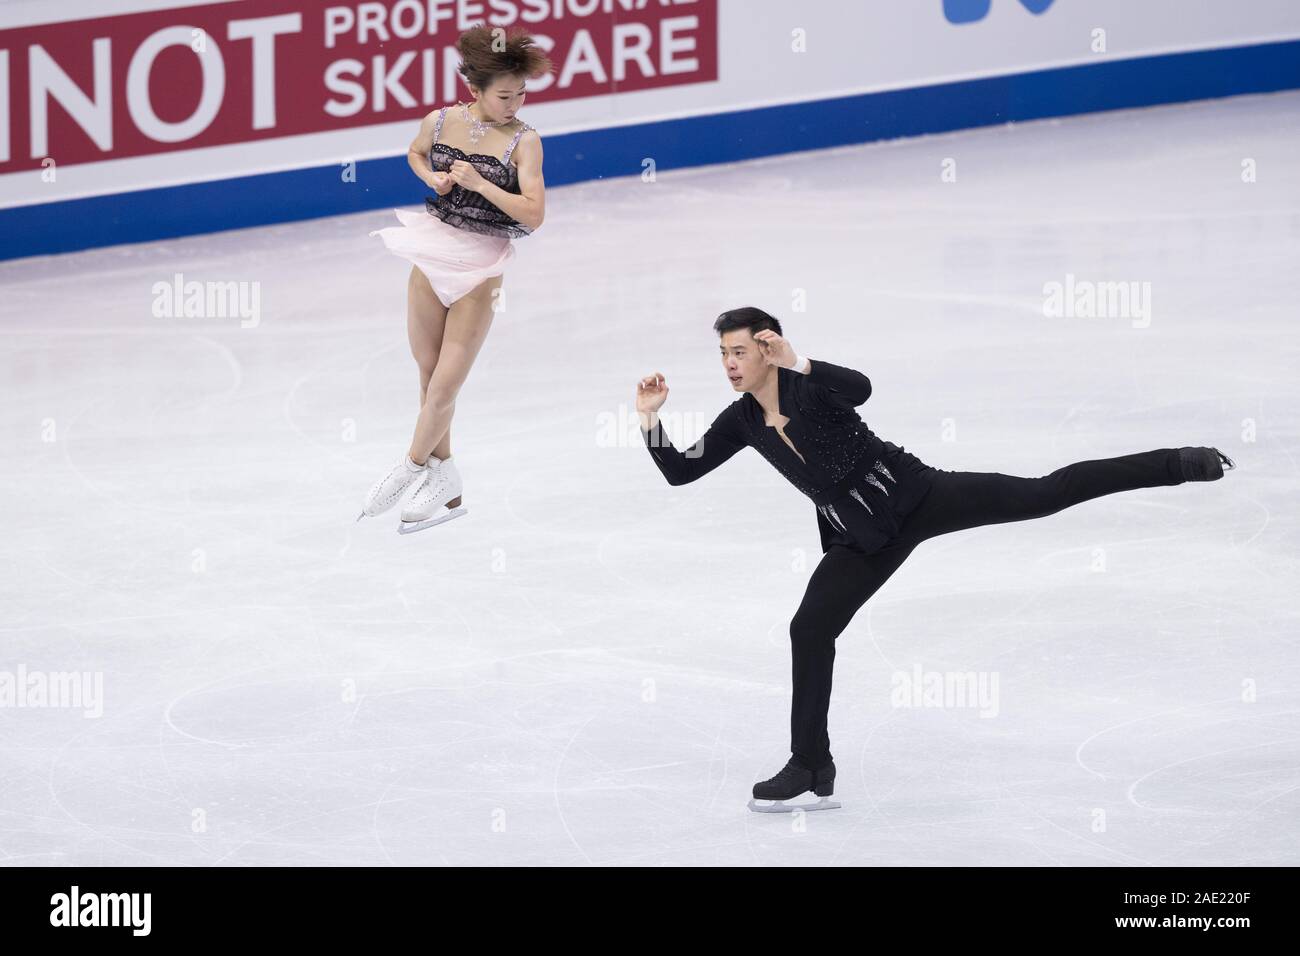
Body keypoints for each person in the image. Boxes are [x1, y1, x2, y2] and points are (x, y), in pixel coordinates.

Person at [635, 306, 1235, 811]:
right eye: (722, 354)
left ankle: (1176, 463)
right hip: (862, 538)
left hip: (918, 495)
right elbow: (681, 471)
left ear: (767, 349)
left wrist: (801, 361)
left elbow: (862, 388)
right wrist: (650, 418)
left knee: (1044, 493)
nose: (730, 364)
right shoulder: (743, 421)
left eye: (739, 351)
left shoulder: (808, 385)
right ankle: (811, 764)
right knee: (809, 628)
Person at [359, 25, 551, 534]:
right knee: (426, 372)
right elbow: (416, 152)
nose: (515, 104)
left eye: (521, 94)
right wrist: (431, 178)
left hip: (481, 267)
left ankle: (411, 467)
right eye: (504, 95)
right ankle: (445, 474)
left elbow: (533, 215)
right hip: (432, 249)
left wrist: (481, 182)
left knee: (446, 385)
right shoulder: (440, 121)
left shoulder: (525, 142)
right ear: (475, 90)